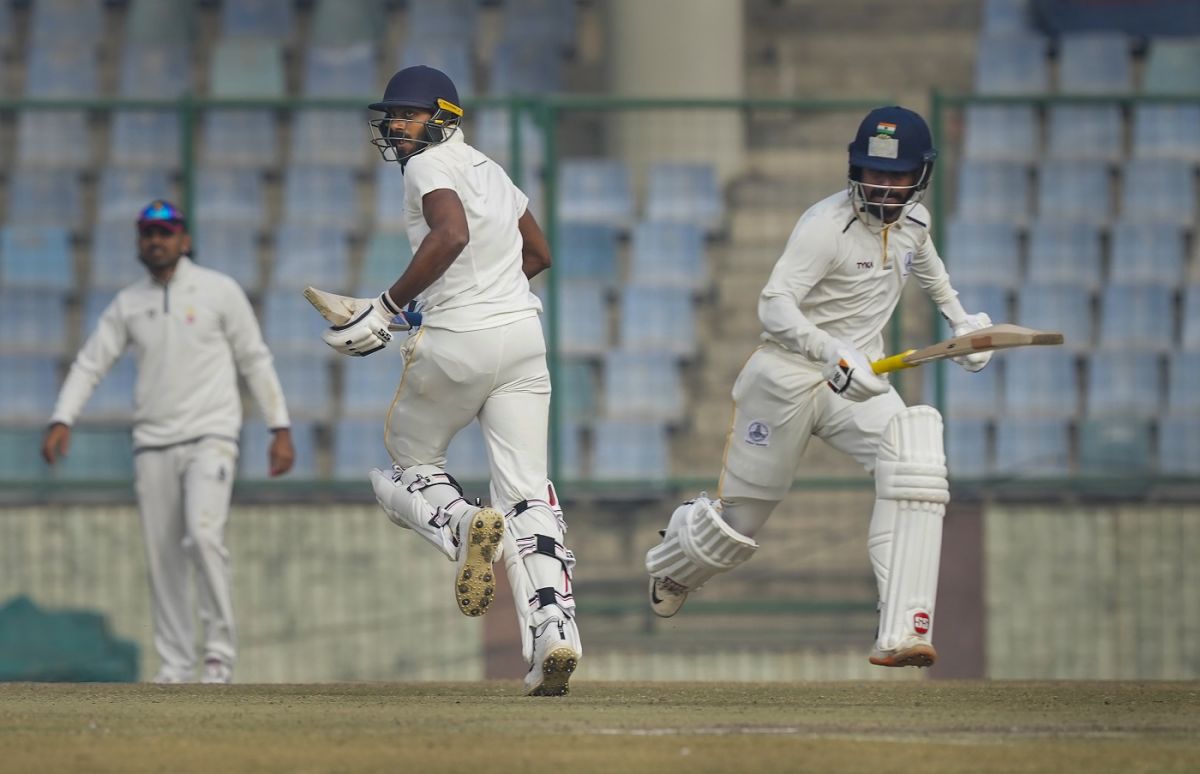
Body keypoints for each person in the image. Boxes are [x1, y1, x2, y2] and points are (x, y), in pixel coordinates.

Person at [645, 106, 993, 669]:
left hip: (861, 382)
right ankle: (676, 558)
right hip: (787, 376)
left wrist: (961, 322)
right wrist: (830, 351)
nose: (882, 186)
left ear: (919, 177)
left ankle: (902, 629)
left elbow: (926, 267)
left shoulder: (915, 225)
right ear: (855, 169)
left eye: (895, 176)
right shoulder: (825, 227)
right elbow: (773, 305)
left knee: (914, 455)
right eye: (872, 173)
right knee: (737, 531)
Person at [321, 65, 580, 696]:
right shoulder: (492, 169)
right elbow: (538, 256)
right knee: (527, 495)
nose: (395, 130)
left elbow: (452, 234)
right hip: (523, 340)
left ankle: (463, 525)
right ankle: (554, 630)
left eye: (404, 117)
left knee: (405, 467)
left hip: (458, 341)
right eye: (392, 120)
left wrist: (386, 310)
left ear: (440, 118)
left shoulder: (424, 165)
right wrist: (439, 300)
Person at [42, 199, 295, 684]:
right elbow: (91, 363)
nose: (156, 240)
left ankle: (218, 656)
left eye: (166, 231)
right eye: (147, 233)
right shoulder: (128, 303)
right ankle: (177, 664)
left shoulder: (219, 291)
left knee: (202, 537)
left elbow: (254, 359)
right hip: (152, 442)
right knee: (163, 557)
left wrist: (278, 427)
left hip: (211, 436)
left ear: (185, 239)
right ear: (140, 242)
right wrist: (62, 418)